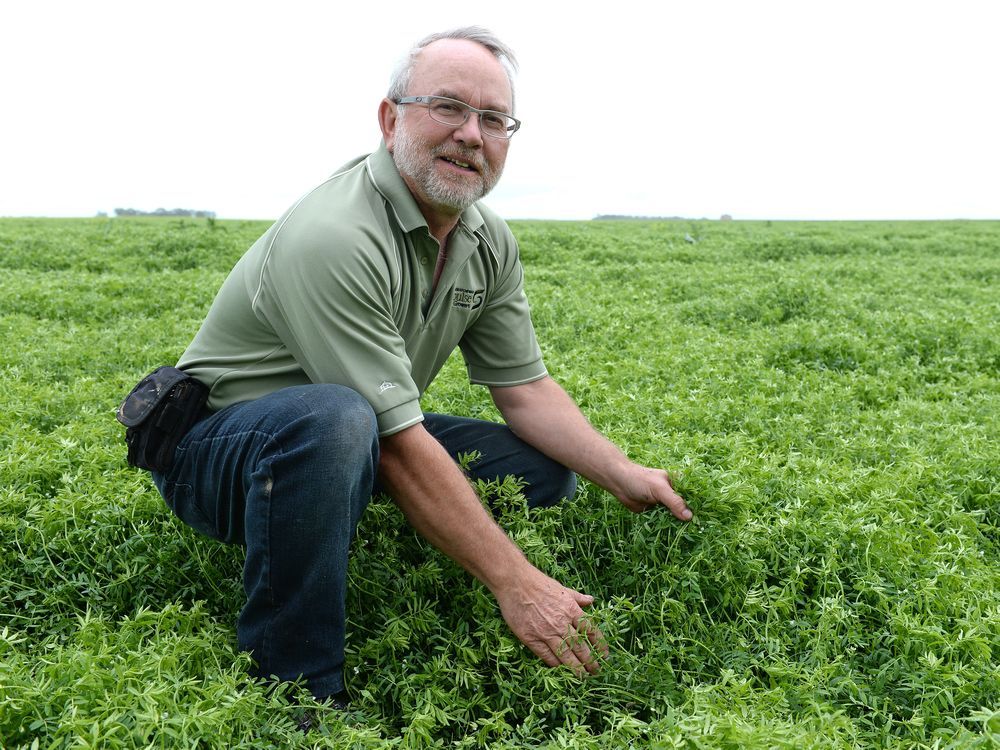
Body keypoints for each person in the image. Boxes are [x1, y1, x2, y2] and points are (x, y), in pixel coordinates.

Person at [151, 26, 692, 705]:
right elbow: (399, 444)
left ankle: (351, 516)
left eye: (494, 119)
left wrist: (621, 472)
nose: (472, 134)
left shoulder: (484, 238)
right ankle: (296, 689)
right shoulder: (335, 235)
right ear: (390, 118)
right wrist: (515, 582)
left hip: (353, 432)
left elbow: (523, 389)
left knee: (543, 470)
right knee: (337, 419)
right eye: (448, 107)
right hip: (222, 455)